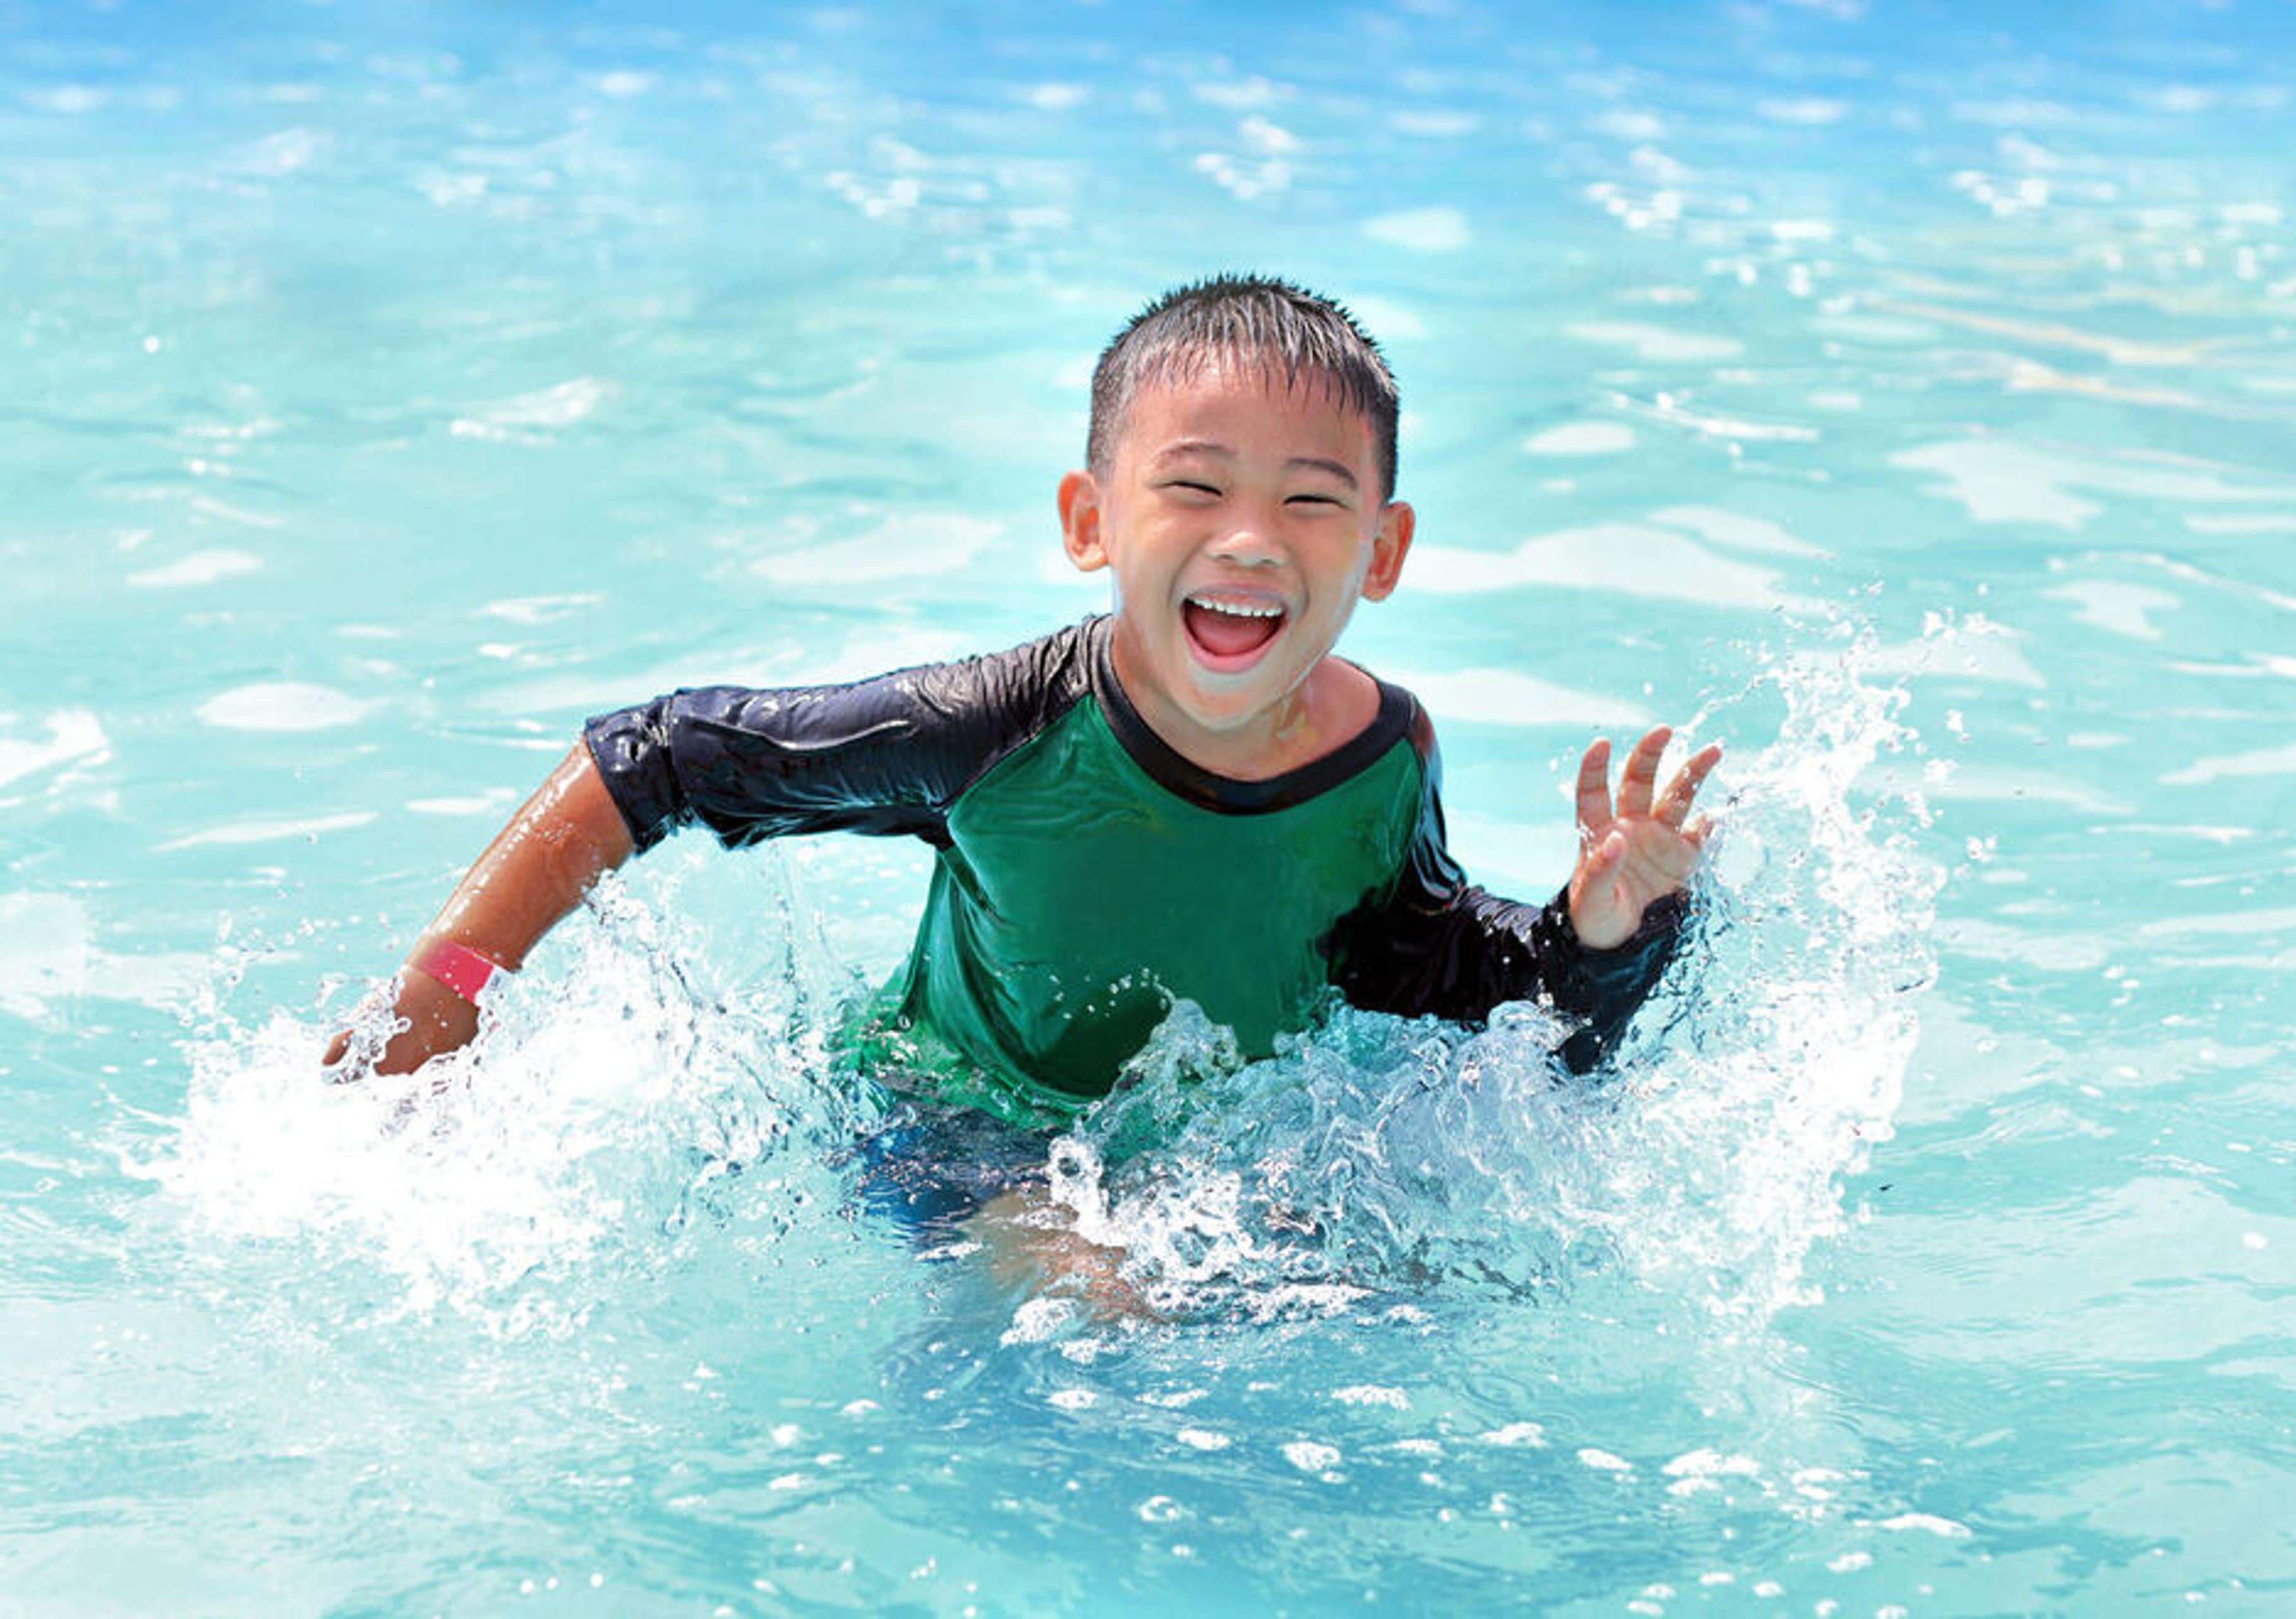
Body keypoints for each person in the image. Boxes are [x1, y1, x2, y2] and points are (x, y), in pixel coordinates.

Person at [325, 275, 1720, 1171]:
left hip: (1208, 1162)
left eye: (1309, 500)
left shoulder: (1382, 757)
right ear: (1088, 521)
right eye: (1193, 489)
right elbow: (659, 755)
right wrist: (443, 995)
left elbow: (1470, 1000)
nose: (1250, 543)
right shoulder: (994, 727)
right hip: (947, 1126)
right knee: (1093, 1291)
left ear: (1384, 549)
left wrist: (1611, 925)